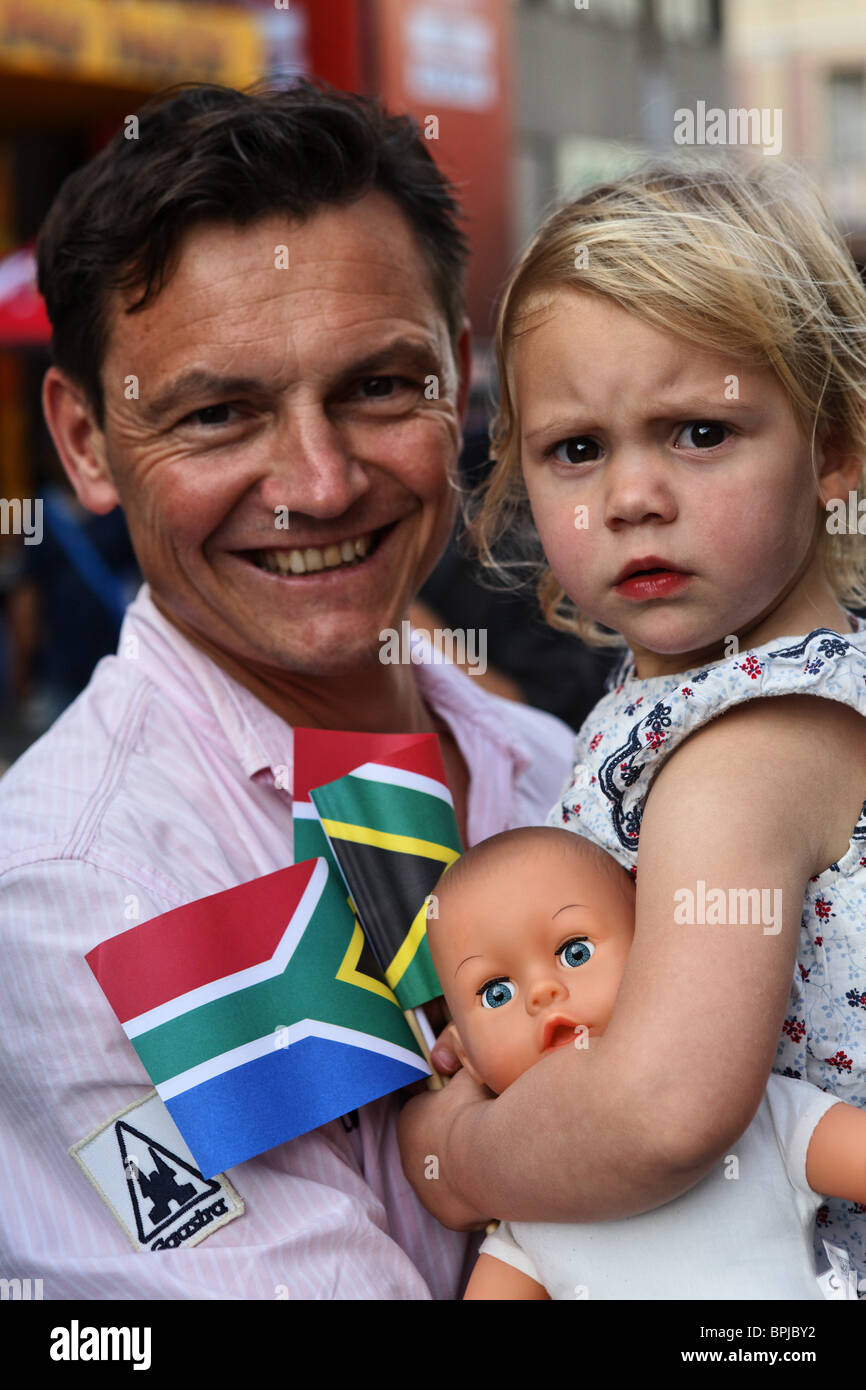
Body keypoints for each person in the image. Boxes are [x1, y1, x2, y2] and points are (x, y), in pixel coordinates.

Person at [0, 80, 576, 1300]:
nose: (317, 484)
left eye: (376, 387)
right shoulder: (75, 892)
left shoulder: (554, 760)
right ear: (86, 443)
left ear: (455, 374)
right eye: (218, 414)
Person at [397, 157, 866, 1291]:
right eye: (576, 448)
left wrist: (455, 1152)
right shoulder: (679, 701)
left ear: (834, 449)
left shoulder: (745, 749)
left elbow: (661, 1114)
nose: (630, 495)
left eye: (698, 432)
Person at [421, 826, 866, 1299]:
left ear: (657, 956)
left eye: (575, 952)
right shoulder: (530, 1210)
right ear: (466, 1057)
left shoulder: (757, 1114)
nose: (540, 994)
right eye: (496, 993)